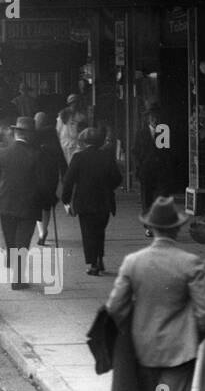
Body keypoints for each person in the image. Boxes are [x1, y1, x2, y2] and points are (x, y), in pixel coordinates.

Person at [106, 197, 205, 391]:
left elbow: (115, 307)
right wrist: (194, 337)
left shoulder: (133, 262)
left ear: (151, 229)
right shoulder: (190, 263)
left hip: (144, 353)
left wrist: (130, 333)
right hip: (178, 356)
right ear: (176, 230)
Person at [62, 127, 122, 276]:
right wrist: (108, 187)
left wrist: (66, 200)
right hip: (104, 201)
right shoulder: (107, 156)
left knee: (88, 233)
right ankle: (99, 257)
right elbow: (117, 178)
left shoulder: (78, 157)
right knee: (99, 231)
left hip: (85, 202)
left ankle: (93, 263)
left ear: (84, 141)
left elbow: (68, 181)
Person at [0, 117, 43, 289]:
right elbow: (40, 182)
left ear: (16, 133)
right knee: (23, 241)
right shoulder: (36, 155)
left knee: (11, 241)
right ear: (29, 134)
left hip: (6, 203)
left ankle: (16, 274)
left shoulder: (3, 152)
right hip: (28, 205)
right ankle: (18, 278)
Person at [33, 112, 66, 246]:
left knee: (37, 205)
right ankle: (43, 231)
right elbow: (62, 161)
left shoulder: (35, 138)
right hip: (51, 177)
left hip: (36, 176)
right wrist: (64, 178)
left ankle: (41, 232)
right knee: (46, 206)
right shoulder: (54, 138)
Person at [134, 106, 172, 213]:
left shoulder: (164, 132)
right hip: (146, 170)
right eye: (152, 117)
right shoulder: (141, 133)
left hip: (160, 171)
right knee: (147, 198)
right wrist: (139, 166)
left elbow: (168, 152)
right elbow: (135, 151)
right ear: (148, 119)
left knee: (161, 197)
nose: (155, 120)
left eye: (156, 118)